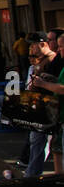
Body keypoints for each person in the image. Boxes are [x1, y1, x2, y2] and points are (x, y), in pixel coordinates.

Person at [25, 34, 63, 177]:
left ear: (43, 44)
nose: (31, 48)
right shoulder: (44, 60)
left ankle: (32, 174)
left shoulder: (52, 59)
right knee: (44, 143)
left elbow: (61, 87)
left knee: (43, 142)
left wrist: (43, 83)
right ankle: (33, 173)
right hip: (43, 105)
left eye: (61, 46)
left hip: (49, 106)